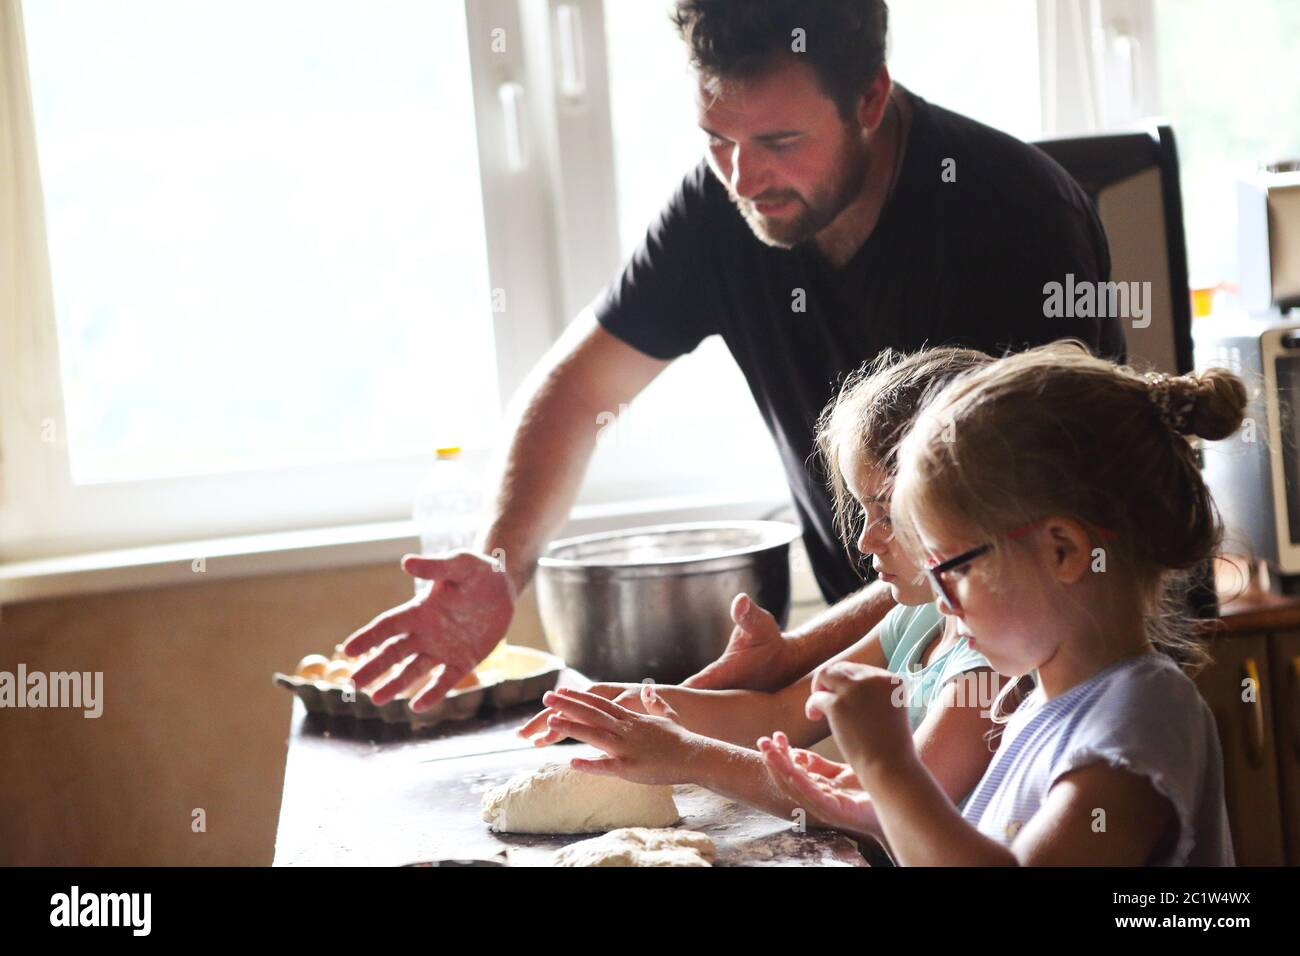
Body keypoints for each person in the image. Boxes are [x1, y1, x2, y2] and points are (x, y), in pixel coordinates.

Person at [342, 0, 1124, 711]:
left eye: (781, 141)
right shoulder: (720, 213)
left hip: (1061, 666)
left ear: (871, 100)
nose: (745, 178)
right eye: (718, 140)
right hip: (912, 656)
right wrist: (497, 565)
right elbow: (579, 393)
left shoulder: (1013, 217)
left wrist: (789, 665)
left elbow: (1012, 536)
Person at [763, 341, 1241, 865]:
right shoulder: (1040, 705)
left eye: (953, 568)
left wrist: (888, 767)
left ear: (1063, 551)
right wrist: (872, 804)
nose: (941, 603)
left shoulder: (1142, 720)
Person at [517, 347, 1004, 850]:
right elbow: (778, 715)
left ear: (968, 503)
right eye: (862, 512)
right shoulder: (918, 617)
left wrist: (688, 756)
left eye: (889, 514)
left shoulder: (991, 665)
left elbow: (885, 809)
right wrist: (639, 710)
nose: (864, 541)